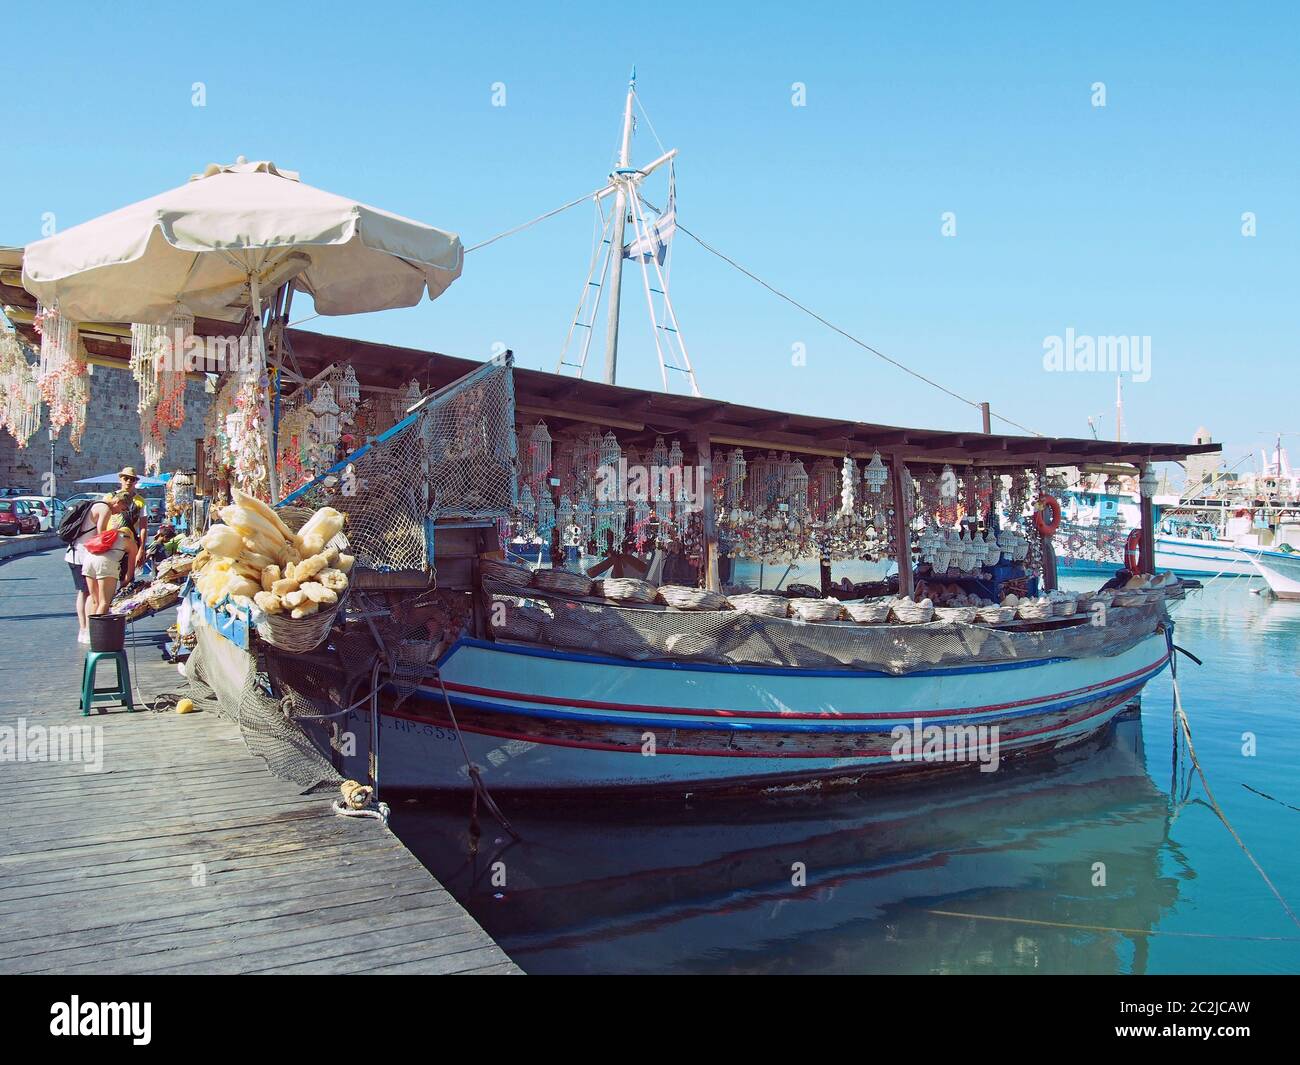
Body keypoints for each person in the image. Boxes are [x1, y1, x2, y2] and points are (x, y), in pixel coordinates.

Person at [82, 491, 137, 620]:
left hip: (89, 559)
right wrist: (126, 581)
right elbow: (131, 567)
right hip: (105, 564)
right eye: (122, 509)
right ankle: (98, 636)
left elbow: (99, 537)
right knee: (104, 602)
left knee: (95, 600)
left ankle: (89, 633)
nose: (119, 512)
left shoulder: (109, 534)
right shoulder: (128, 540)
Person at [64, 498, 100, 644]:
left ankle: (83, 628)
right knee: (90, 592)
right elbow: (101, 536)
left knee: (82, 591)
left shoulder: (85, 511)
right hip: (84, 557)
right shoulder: (101, 510)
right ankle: (87, 630)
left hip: (72, 555)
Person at [113, 466, 148, 583]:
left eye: (132, 479)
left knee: (127, 581)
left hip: (130, 543)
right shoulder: (110, 497)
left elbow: (143, 527)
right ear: (120, 479)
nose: (128, 481)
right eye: (126, 478)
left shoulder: (140, 501)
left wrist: (141, 549)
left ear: (135, 482)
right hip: (111, 543)